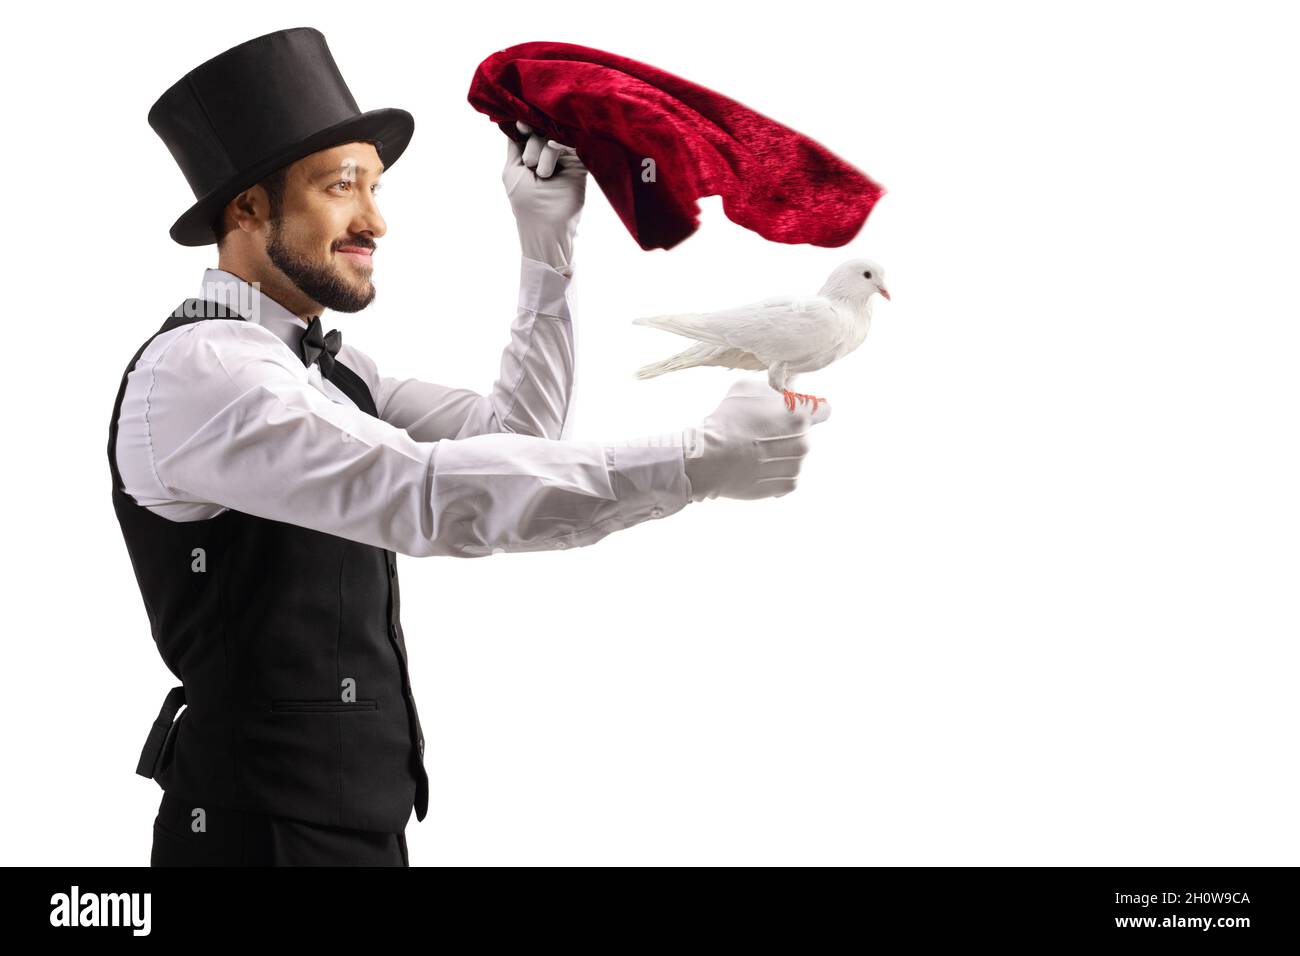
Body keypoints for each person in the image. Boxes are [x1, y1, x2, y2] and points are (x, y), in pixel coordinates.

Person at [112, 27, 831, 866]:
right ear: (247, 210)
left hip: (353, 826)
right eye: (342, 187)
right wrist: (690, 464)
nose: (375, 219)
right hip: (252, 835)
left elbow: (513, 439)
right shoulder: (203, 370)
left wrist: (546, 245)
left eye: (376, 188)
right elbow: (426, 495)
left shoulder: (333, 372)